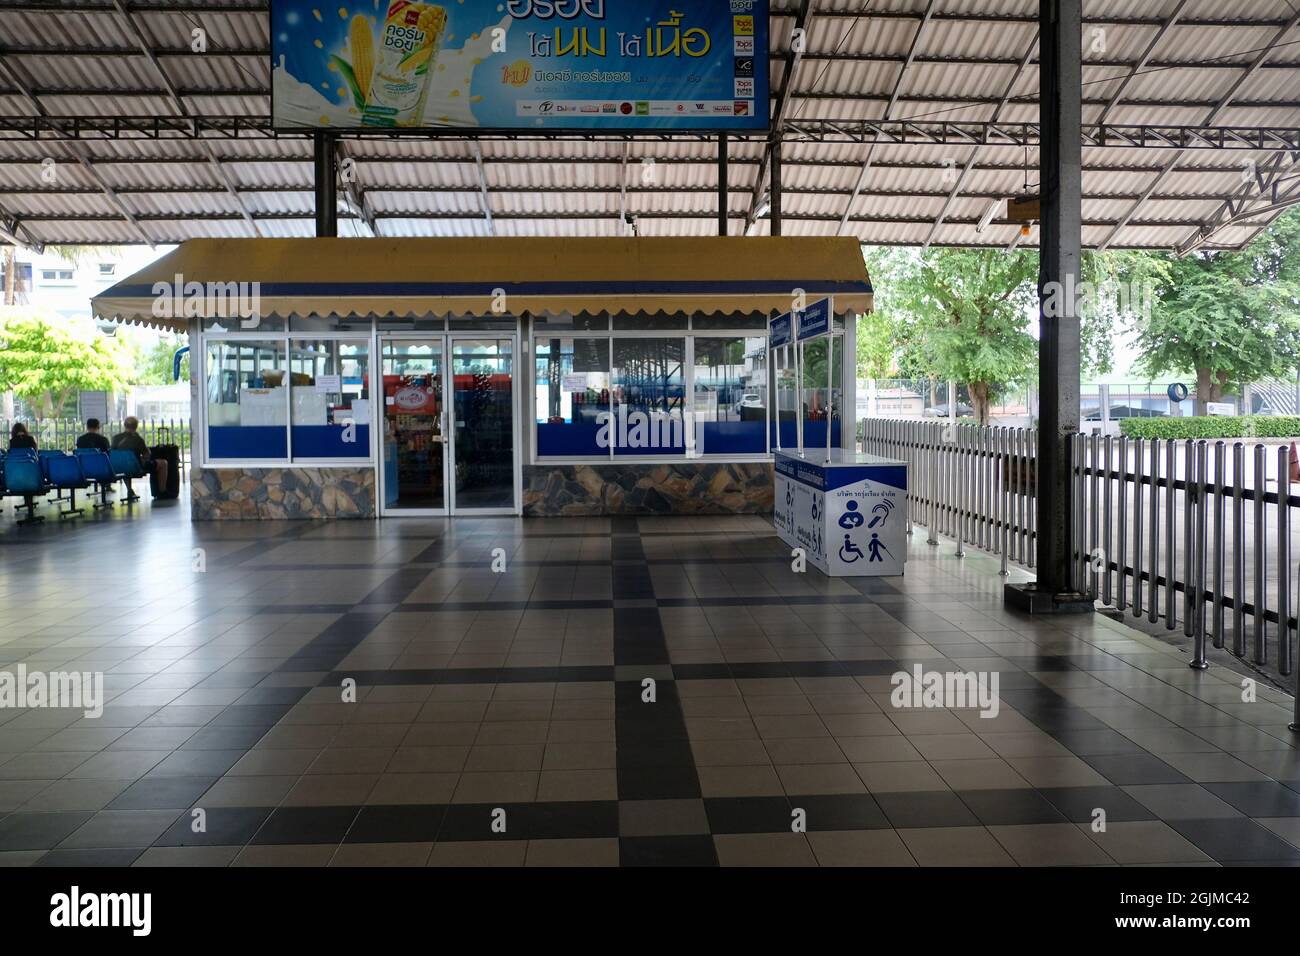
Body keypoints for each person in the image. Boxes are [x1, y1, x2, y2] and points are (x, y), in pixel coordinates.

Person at [111, 417, 167, 495]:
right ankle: (162, 491)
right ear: (136, 426)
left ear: (124, 425)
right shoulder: (138, 439)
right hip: (136, 467)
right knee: (163, 463)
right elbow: (147, 455)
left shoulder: (115, 438)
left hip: (118, 468)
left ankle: (129, 489)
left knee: (125, 465)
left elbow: (113, 452)